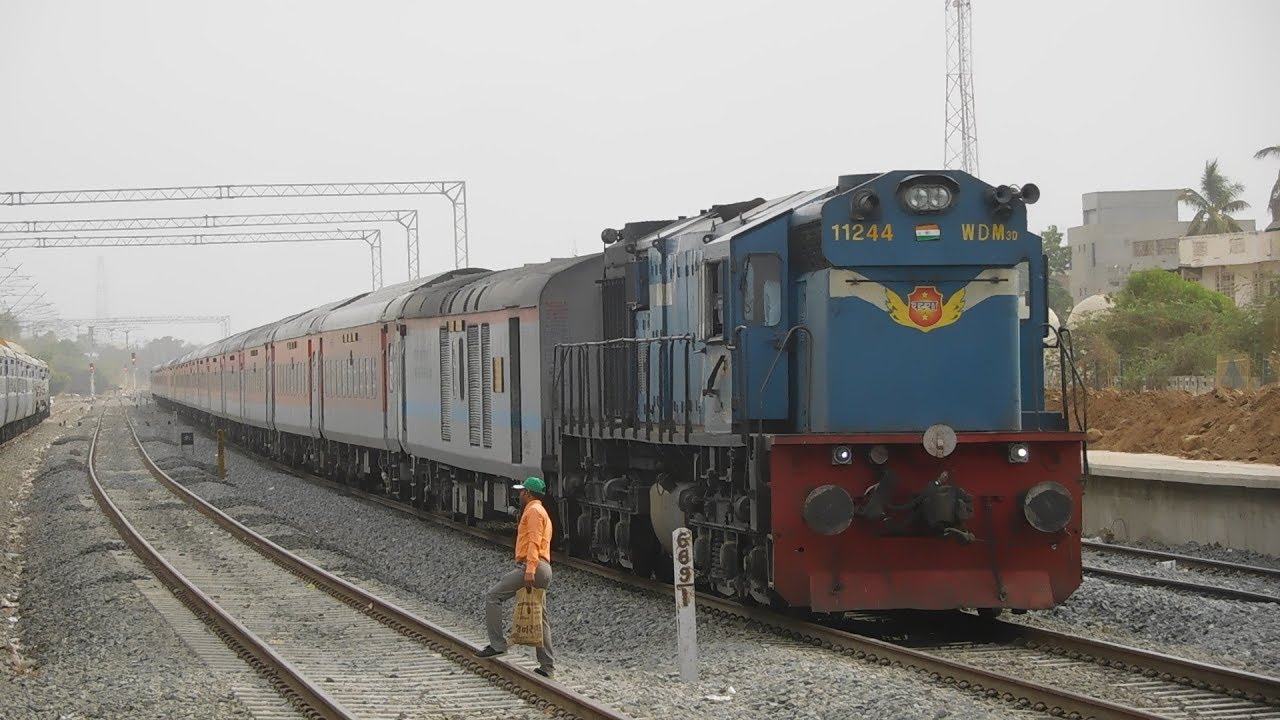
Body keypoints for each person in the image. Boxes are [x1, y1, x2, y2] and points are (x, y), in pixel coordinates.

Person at [474, 476, 555, 678]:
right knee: (539, 615)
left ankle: (498, 645)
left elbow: (534, 541)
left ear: (527, 493)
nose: (519, 494)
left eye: (521, 491)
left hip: (534, 566)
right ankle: (547, 666)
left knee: (493, 596)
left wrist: (529, 569)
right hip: (543, 567)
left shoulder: (534, 512)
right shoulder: (541, 510)